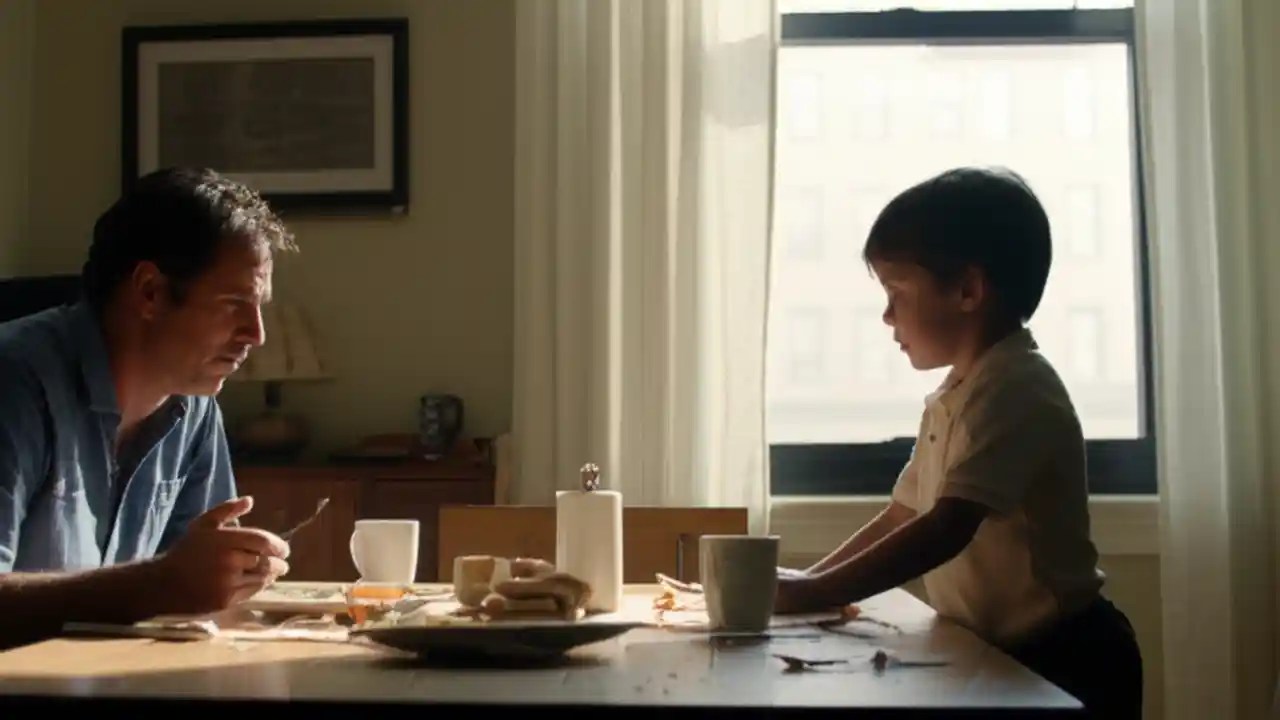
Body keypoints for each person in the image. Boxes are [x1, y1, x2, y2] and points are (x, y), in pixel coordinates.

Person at [774, 167, 1143, 718]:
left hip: (1065, 655)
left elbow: (945, 528)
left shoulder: (1016, 387)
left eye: (896, 292)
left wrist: (816, 594)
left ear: (968, 290)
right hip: (999, 652)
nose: (886, 315)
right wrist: (813, 581)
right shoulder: (957, 393)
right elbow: (903, 515)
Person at [0, 167, 298, 648]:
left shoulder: (195, 407)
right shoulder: (14, 383)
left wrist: (229, 576)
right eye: (233, 303)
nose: (256, 334)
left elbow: (196, 599)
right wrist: (157, 584)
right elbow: (167, 585)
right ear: (150, 293)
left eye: (259, 305)